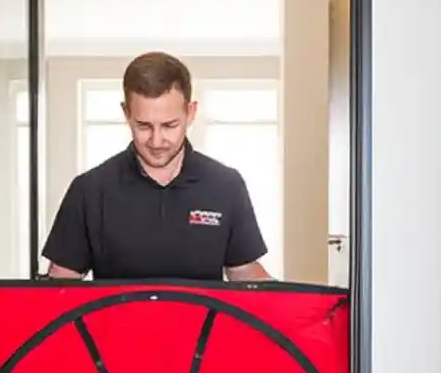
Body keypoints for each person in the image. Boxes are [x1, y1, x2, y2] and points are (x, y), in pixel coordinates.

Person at [41, 52, 273, 282]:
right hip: (116, 321)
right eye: (143, 126)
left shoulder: (225, 186)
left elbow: (245, 275)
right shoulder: (89, 190)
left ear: (190, 113)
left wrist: (301, 310)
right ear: (126, 114)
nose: (157, 141)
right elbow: (60, 287)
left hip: (201, 321)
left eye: (170, 125)